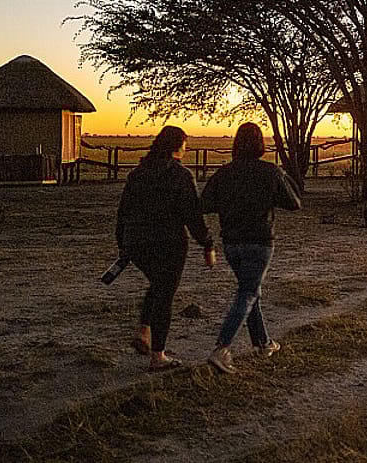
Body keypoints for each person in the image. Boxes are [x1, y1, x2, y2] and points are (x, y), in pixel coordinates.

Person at [201, 122, 301, 373]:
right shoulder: (270, 172)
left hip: (232, 243)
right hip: (259, 241)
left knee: (250, 290)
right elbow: (294, 203)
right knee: (248, 292)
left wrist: (229, 205)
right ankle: (221, 348)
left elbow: (204, 204)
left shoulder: (223, 173)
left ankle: (263, 343)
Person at [115, 125, 216, 371]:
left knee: (158, 285)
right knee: (164, 295)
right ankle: (158, 355)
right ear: (176, 146)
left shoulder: (138, 173)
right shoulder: (180, 176)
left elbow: (123, 211)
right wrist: (207, 243)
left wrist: (123, 245)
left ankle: (143, 331)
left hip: (136, 242)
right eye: (185, 143)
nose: (187, 148)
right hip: (168, 243)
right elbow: (192, 215)